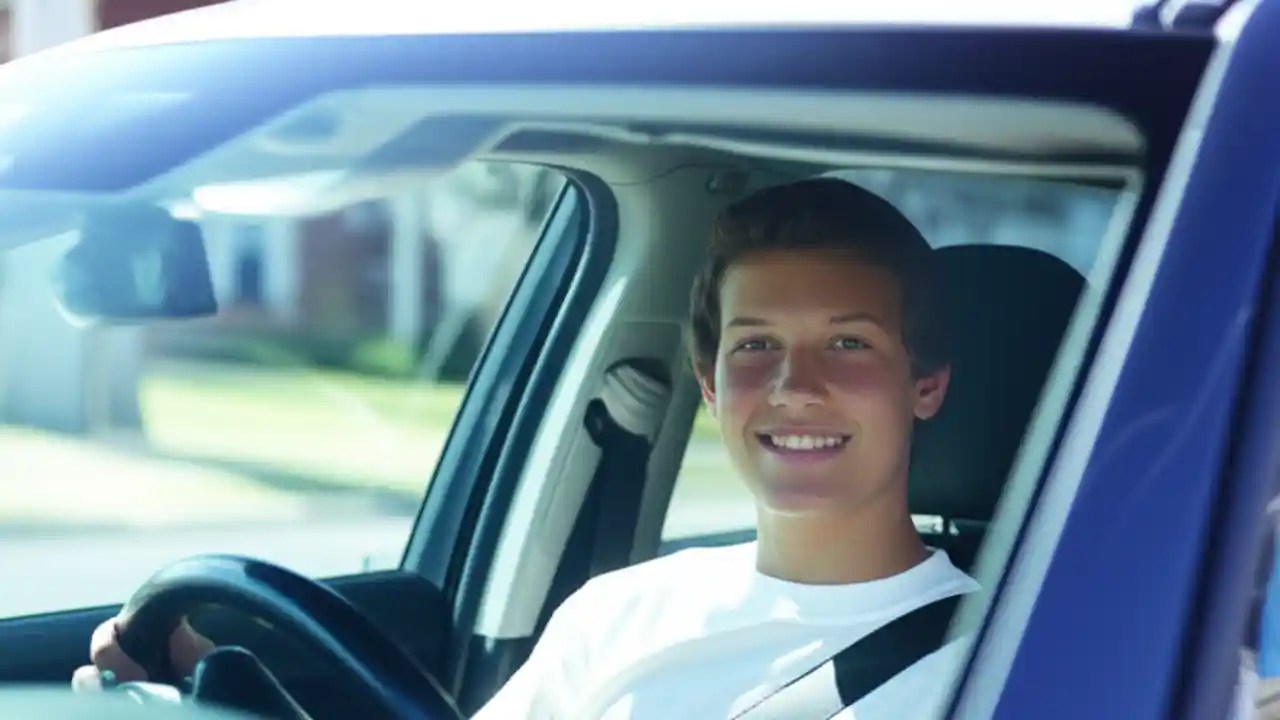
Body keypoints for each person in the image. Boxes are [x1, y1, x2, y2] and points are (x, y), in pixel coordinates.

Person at [73, 178, 979, 718]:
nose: (793, 385)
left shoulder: (1013, 653)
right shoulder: (617, 613)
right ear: (710, 385)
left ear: (925, 383)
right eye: (755, 346)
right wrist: (215, 687)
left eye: (849, 343)